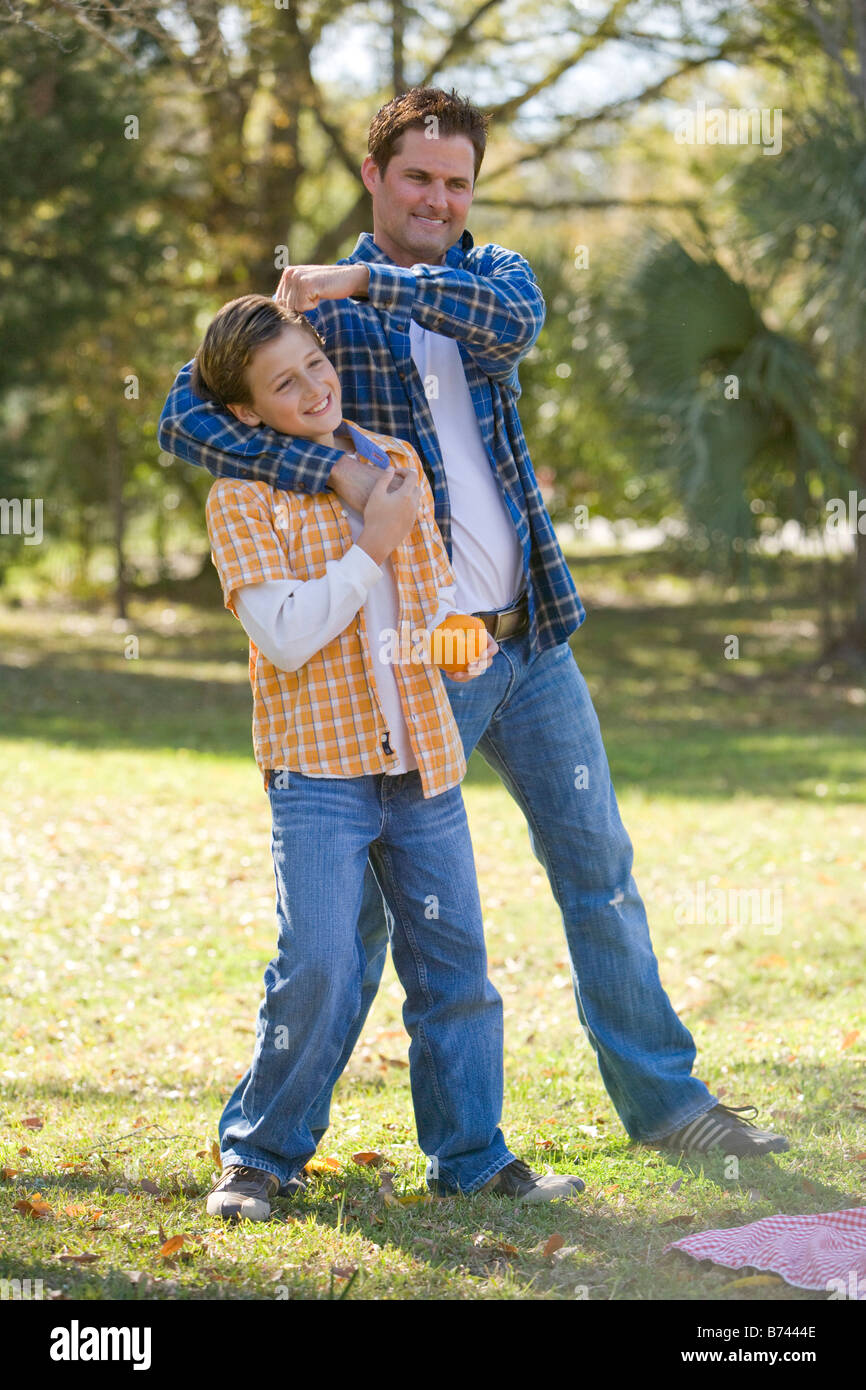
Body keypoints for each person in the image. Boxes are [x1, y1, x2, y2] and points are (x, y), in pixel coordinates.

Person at [160, 87, 789, 1162]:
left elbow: (512, 326)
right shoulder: (315, 317)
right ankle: (263, 1148)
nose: (437, 199)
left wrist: (369, 277)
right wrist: (346, 477)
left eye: (457, 183)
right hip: (417, 658)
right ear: (373, 175)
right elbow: (188, 415)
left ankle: (669, 1104)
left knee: (598, 869)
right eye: (417, 177)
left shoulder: (486, 282)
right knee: (351, 932)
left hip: (528, 638)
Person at [196, 293, 586, 1219]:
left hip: (422, 767)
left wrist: (465, 641)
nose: (314, 388)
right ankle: (258, 1156)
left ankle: (472, 1157)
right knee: (321, 962)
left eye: (316, 366)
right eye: (284, 383)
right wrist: (371, 544)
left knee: (455, 969)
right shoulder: (241, 496)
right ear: (248, 411)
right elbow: (286, 636)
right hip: (319, 773)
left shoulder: (396, 461)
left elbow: (424, 605)